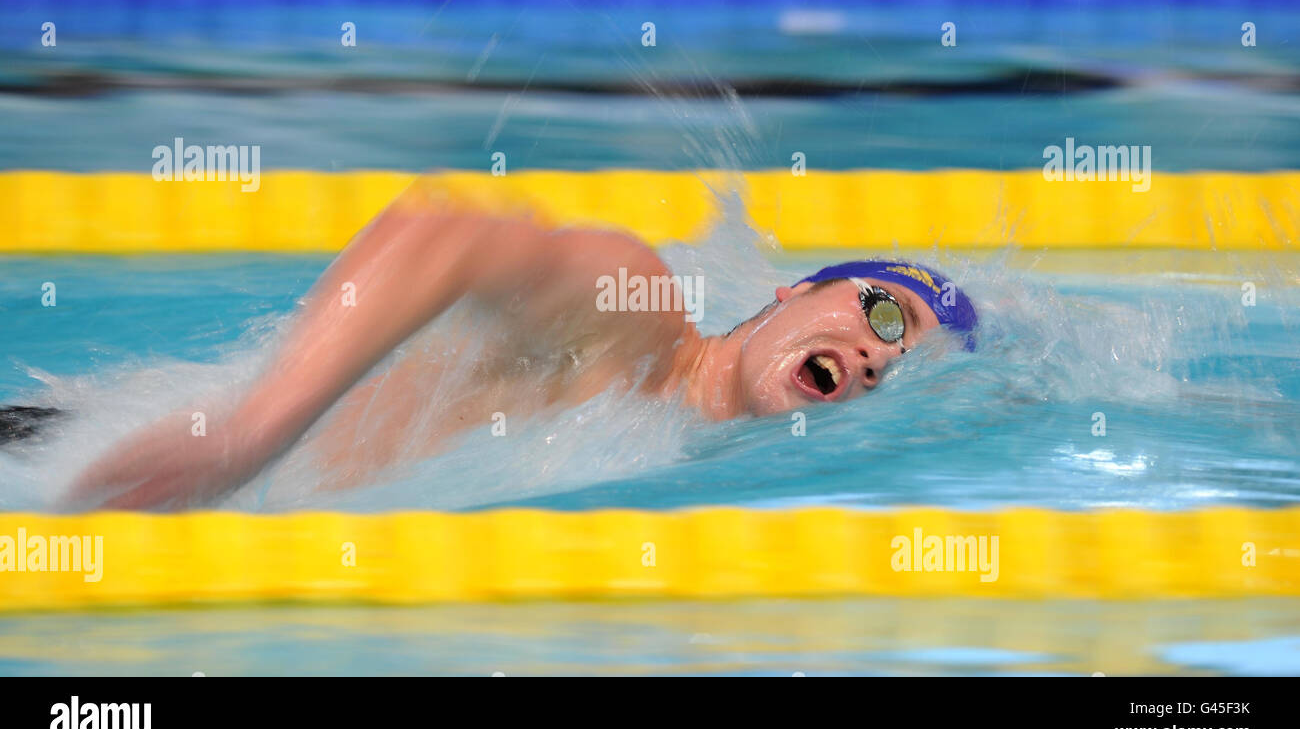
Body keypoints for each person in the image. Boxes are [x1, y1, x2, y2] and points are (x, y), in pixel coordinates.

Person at [59, 180, 976, 509]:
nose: (880, 357)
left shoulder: (673, 453)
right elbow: (443, 228)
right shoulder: (637, 315)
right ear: (796, 292)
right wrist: (247, 434)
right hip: (73, 447)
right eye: (884, 317)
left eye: (903, 367)